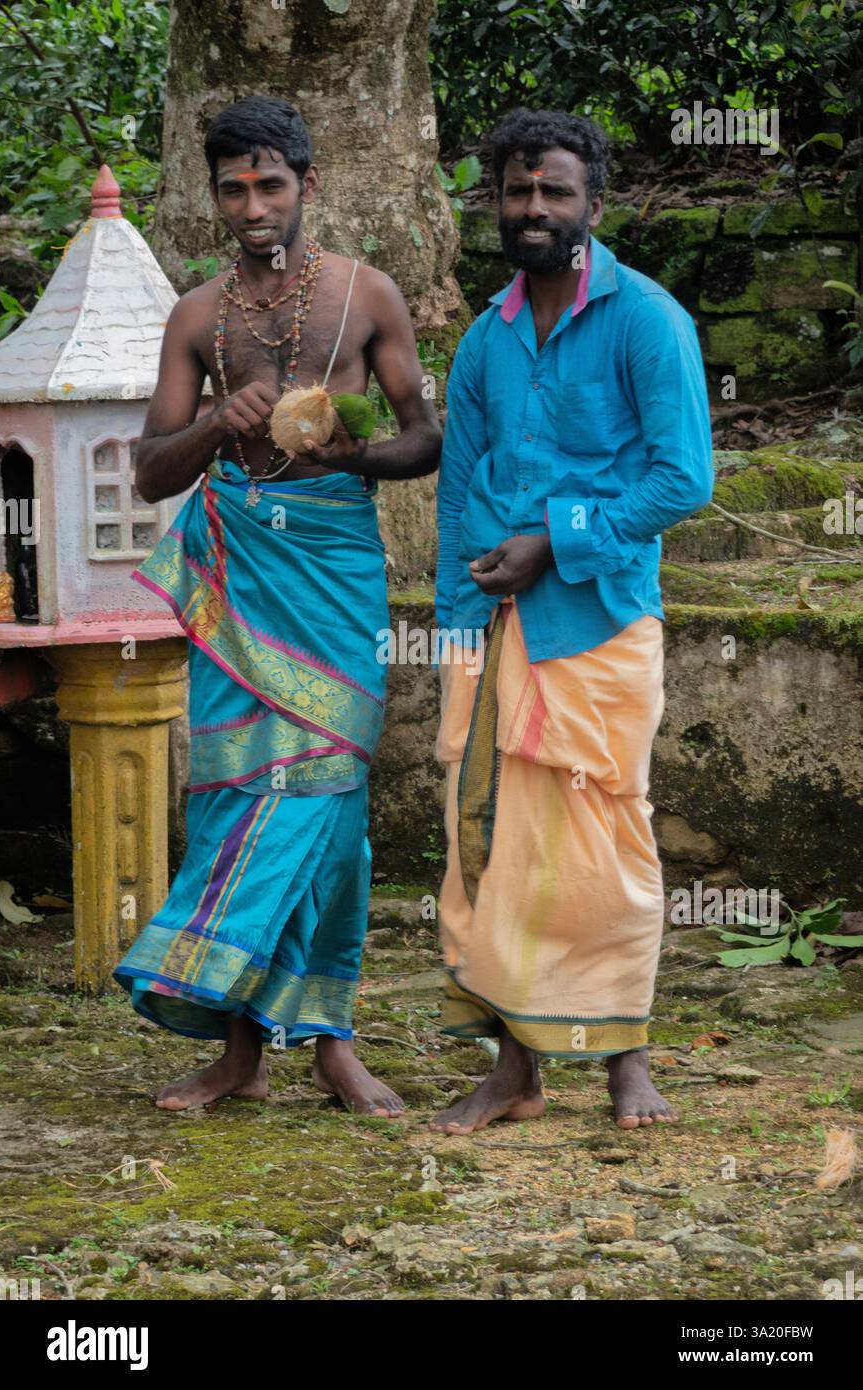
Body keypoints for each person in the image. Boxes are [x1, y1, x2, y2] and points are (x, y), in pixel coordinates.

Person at [114, 95, 440, 1115]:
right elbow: (150, 473)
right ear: (212, 195)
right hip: (234, 564)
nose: (252, 204)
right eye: (233, 187)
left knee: (328, 798)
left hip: (332, 564)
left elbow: (422, 436)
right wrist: (218, 418)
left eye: (270, 184)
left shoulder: (365, 294)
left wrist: (354, 454)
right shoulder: (197, 319)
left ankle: (330, 1040)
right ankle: (240, 1053)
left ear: (307, 184)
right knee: (233, 794)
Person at [431, 108, 713, 1134]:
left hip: (597, 622)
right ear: (496, 205)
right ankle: (512, 1069)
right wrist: (457, 637)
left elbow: (682, 476)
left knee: (604, 845)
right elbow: (460, 491)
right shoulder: (485, 336)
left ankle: (622, 1058)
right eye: (516, 191)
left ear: (592, 204)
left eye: (554, 190)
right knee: (499, 848)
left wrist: (554, 540)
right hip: (498, 633)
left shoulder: (646, 320)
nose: (534, 207)